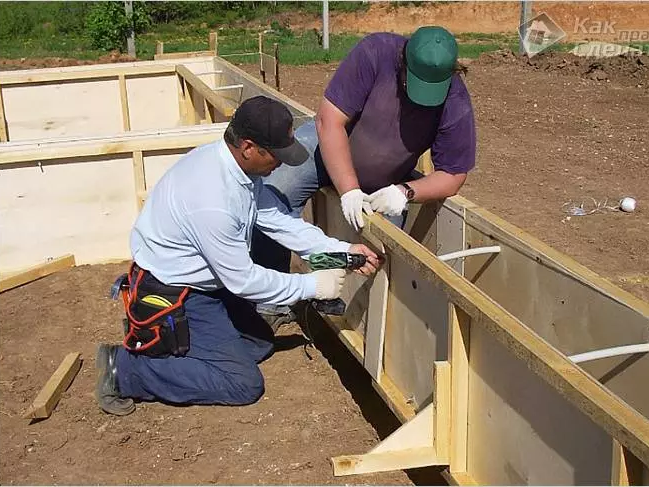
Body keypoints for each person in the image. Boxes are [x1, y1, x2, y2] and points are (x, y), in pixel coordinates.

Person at [95, 95, 379, 416]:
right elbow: (243, 280)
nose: (282, 164)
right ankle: (125, 368)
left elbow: (277, 221)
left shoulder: (238, 170)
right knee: (242, 383)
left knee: (260, 344)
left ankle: (174, 346)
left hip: (208, 283)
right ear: (247, 147)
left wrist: (340, 252)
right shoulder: (212, 200)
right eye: (276, 155)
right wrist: (312, 287)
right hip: (178, 292)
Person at [252, 25, 476, 326]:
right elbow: (329, 121)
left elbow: (453, 174)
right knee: (274, 194)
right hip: (324, 149)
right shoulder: (376, 53)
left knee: (376, 250)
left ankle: (328, 295)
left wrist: (405, 192)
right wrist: (349, 190)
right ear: (403, 62)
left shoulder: (455, 101)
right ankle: (269, 300)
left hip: (385, 178)